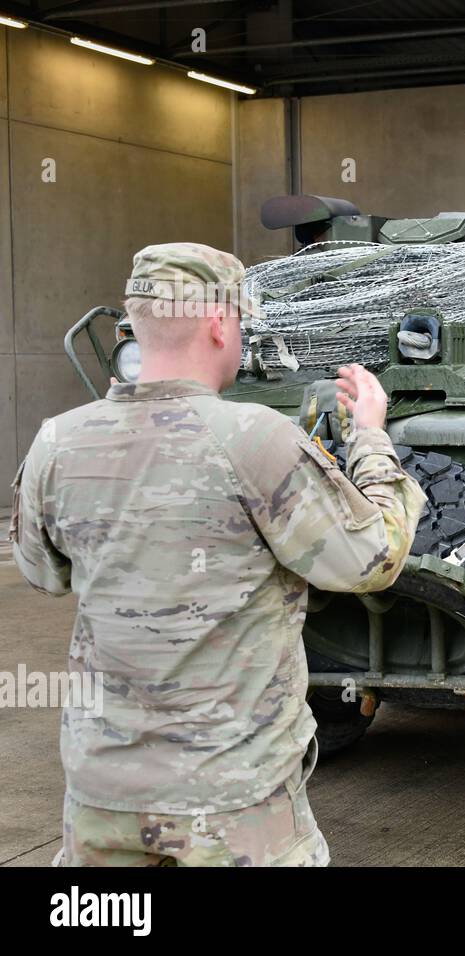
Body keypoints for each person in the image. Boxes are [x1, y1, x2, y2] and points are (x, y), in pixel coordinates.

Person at [9, 243, 427, 865]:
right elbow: (374, 557)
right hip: (232, 800)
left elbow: (42, 572)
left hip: (101, 793)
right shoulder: (257, 440)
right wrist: (369, 436)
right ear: (218, 323)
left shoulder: (57, 441)